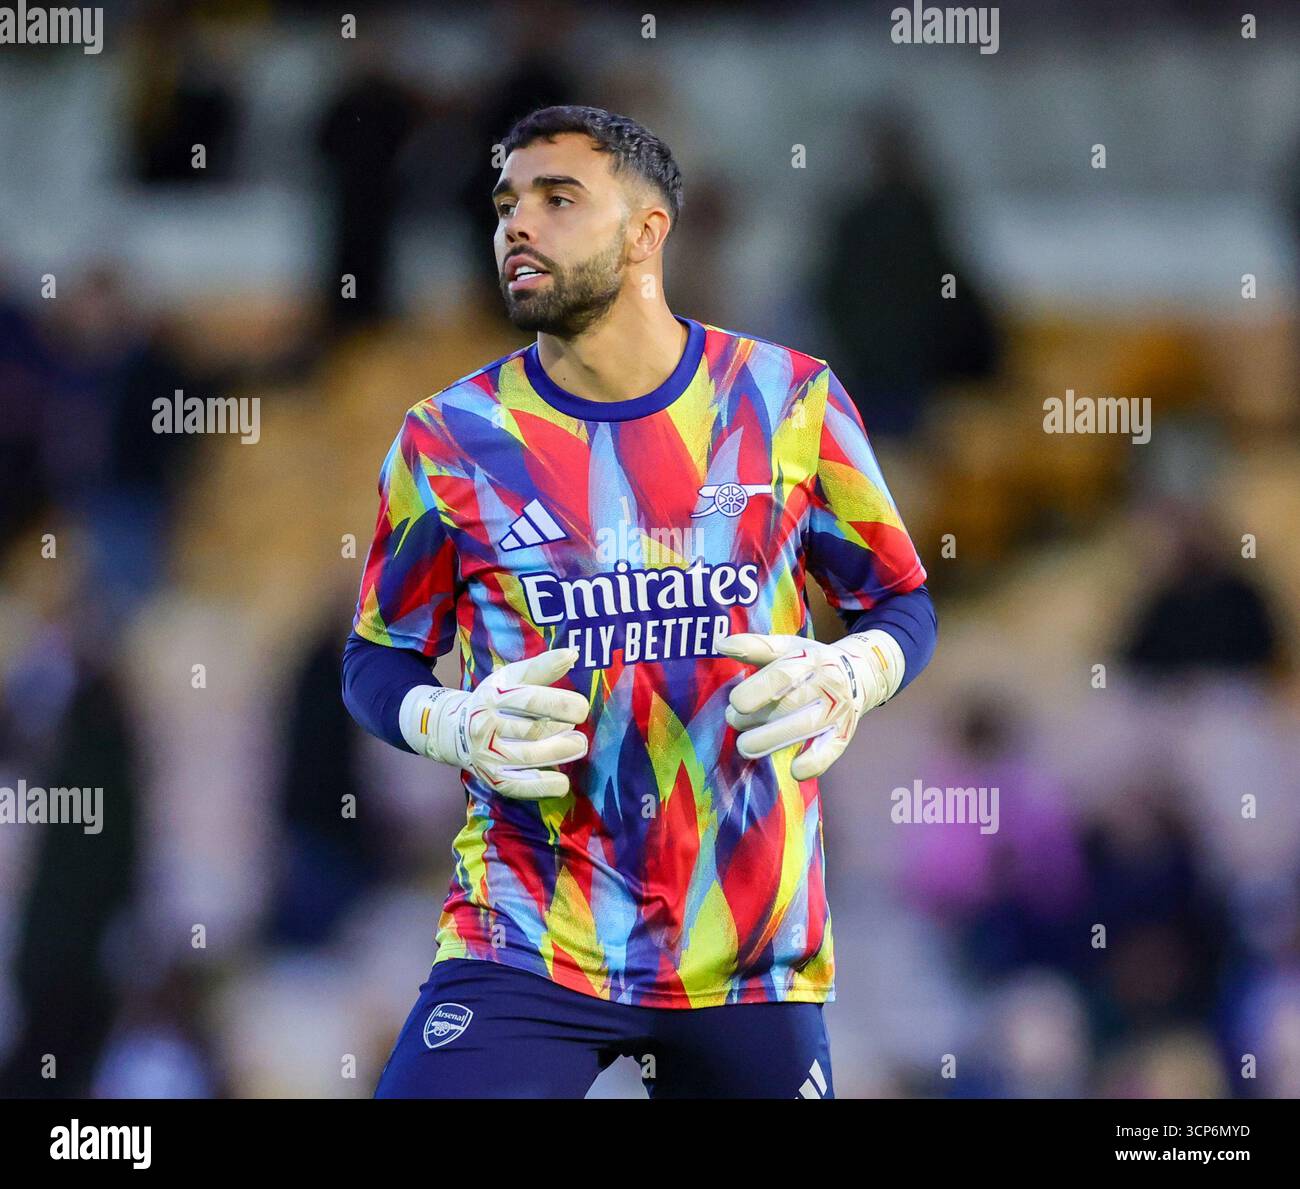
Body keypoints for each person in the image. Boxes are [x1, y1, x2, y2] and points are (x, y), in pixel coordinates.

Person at [342, 106, 937, 1098]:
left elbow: (900, 602)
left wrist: (853, 668)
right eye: (503, 205)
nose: (515, 226)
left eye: (556, 198)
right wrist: (444, 719)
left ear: (646, 231)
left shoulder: (789, 402)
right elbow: (375, 656)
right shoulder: (446, 439)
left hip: (745, 949)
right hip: (527, 934)